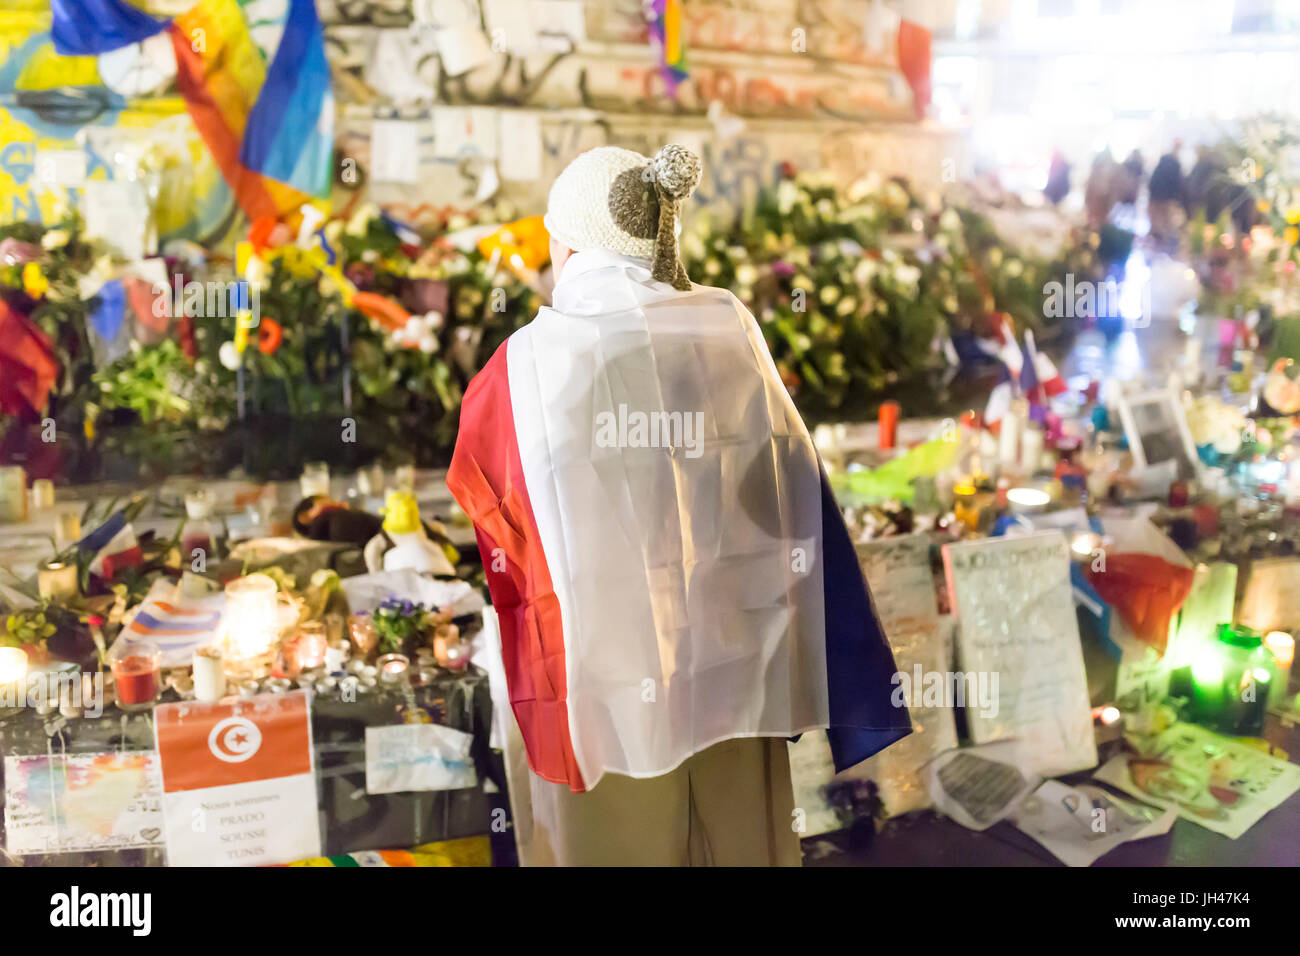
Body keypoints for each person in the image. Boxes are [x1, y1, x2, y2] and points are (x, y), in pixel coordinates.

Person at [446, 145, 910, 866]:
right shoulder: (727, 330)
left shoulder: (526, 366)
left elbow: (490, 504)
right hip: (735, 675)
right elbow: (789, 493)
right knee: (745, 845)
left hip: (608, 703)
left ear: (566, 243)